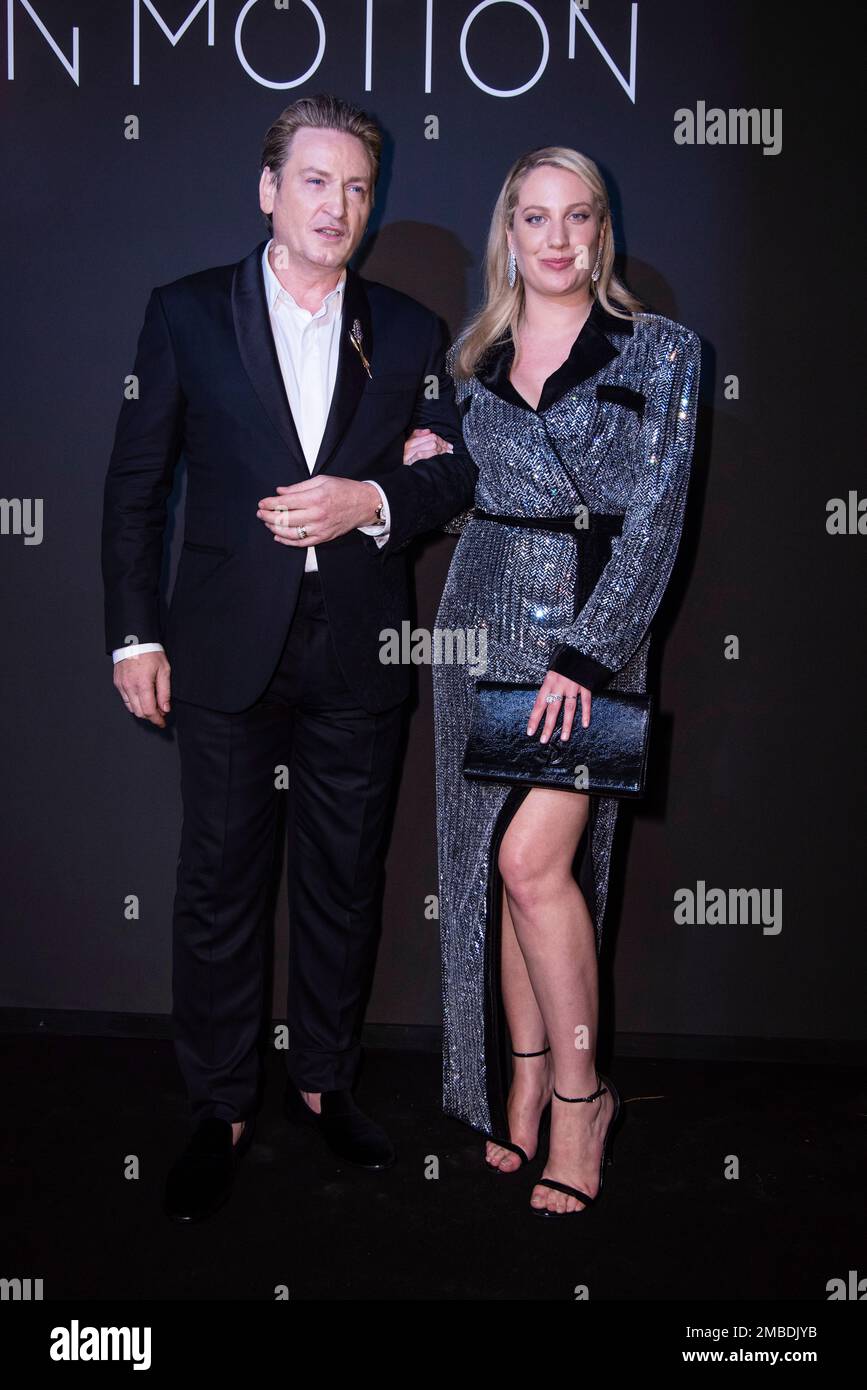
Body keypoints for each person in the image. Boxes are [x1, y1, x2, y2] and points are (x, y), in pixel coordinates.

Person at [101, 93, 476, 1223]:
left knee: (342, 882)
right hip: (223, 647)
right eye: (317, 181)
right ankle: (219, 1103)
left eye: (358, 187)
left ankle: (322, 1081)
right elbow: (136, 486)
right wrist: (135, 629)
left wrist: (373, 496)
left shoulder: (408, 331)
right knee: (217, 883)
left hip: (358, 650)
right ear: (270, 191)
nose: (339, 206)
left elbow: (452, 474)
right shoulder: (185, 314)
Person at [411, 146, 700, 1216]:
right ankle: (520, 1073)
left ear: (602, 230)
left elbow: (659, 520)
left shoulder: (660, 351)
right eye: (535, 218)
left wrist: (589, 651)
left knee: (537, 862)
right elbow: (452, 502)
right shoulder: (471, 359)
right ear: (509, 234)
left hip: (592, 636)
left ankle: (583, 1096)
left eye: (579, 217)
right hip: (482, 617)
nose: (559, 239)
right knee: (496, 864)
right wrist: (413, 468)